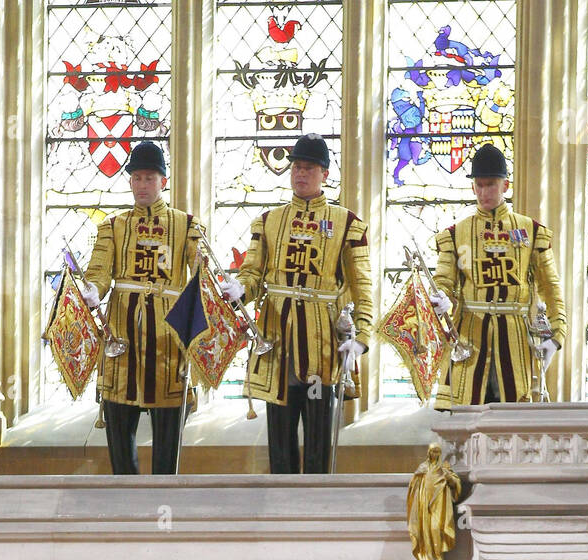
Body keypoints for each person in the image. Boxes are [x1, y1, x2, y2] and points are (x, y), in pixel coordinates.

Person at [219, 134, 373, 474]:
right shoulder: (268, 221)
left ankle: (319, 514)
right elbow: (253, 275)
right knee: (280, 438)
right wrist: (238, 291)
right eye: (296, 167)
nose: (300, 174)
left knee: (319, 439)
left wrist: (362, 337)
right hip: (278, 343)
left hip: (323, 346)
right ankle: (280, 514)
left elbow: (362, 285)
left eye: (309, 168)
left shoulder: (348, 224)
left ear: (325, 174)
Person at [82, 140, 203, 474]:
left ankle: (165, 509)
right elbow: (99, 270)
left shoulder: (187, 225)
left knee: (167, 452)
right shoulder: (113, 226)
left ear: (163, 181)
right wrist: (93, 290)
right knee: (121, 445)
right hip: (122, 344)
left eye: (149, 178)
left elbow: (202, 275)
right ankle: (126, 509)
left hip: (169, 346)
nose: (142, 185)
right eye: (136, 178)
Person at [429, 144, 566, 406]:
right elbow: (443, 280)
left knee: (515, 424)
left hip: (516, 340)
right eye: (478, 185)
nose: (483, 192)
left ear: (505, 185)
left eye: (490, 184)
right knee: (467, 417)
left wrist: (556, 336)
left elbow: (551, 287)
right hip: (470, 339)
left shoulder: (532, 232)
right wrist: (442, 298)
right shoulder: (456, 233)